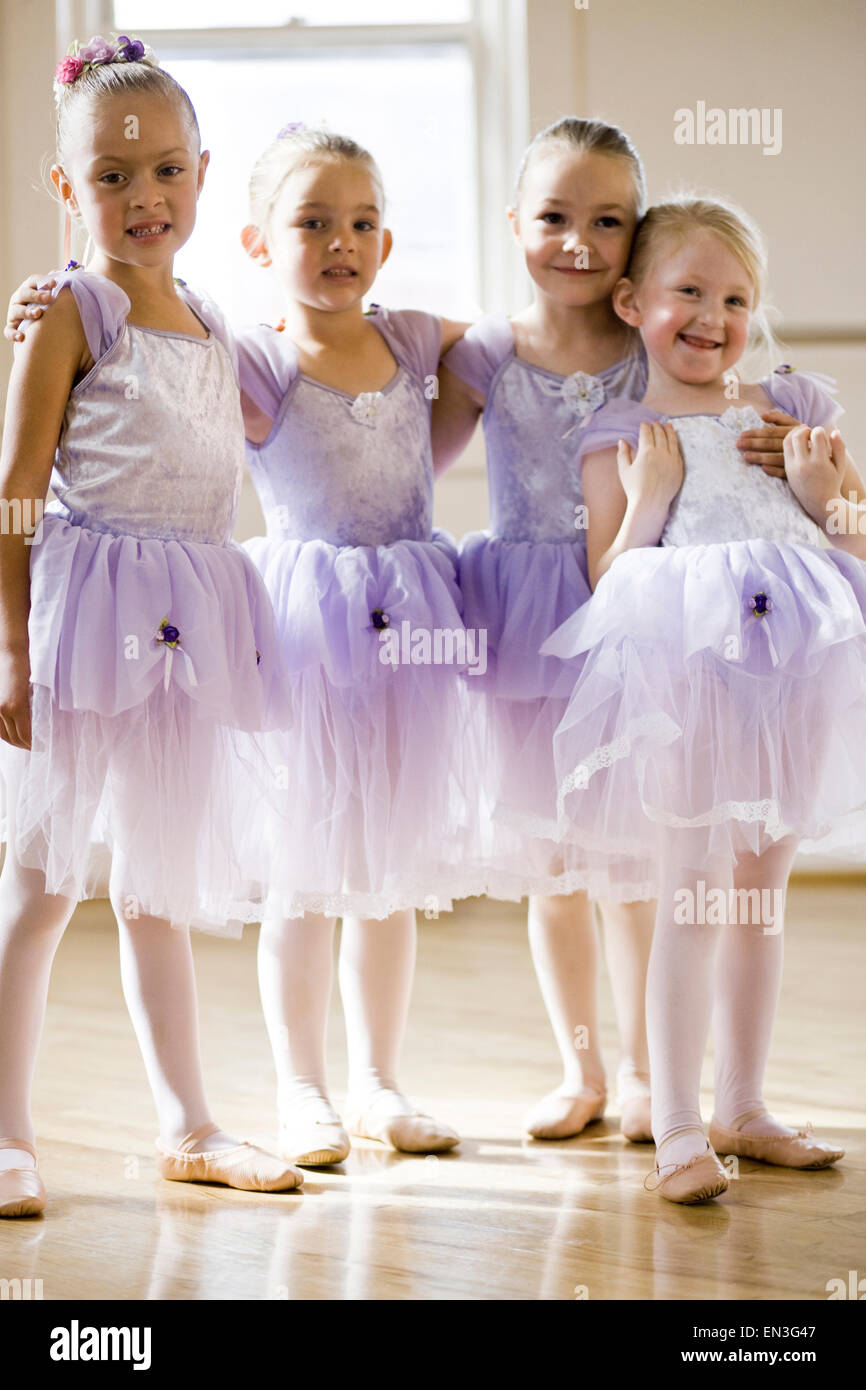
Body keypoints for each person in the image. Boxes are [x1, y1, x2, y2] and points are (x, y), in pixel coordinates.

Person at [0, 35, 303, 1217]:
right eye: (113, 176)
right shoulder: (69, 309)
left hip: (187, 621)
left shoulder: (215, 316)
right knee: (40, 883)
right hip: (86, 619)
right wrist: (14, 646)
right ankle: (8, 1129)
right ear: (68, 189)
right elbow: (17, 489)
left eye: (167, 170)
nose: (145, 197)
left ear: (202, 174)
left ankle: (191, 1123)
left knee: (157, 887)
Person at [543, 196, 854, 1201]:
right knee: (689, 891)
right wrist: (645, 503)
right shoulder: (621, 429)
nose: (711, 316)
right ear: (631, 301)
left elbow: (852, 543)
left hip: (783, 682)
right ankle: (676, 1123)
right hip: (683, 691)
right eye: (687, 292)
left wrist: (822, 500)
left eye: (733, 297)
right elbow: (607, 583)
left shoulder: (794, 407)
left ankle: (744, 1103)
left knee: (760, 896)